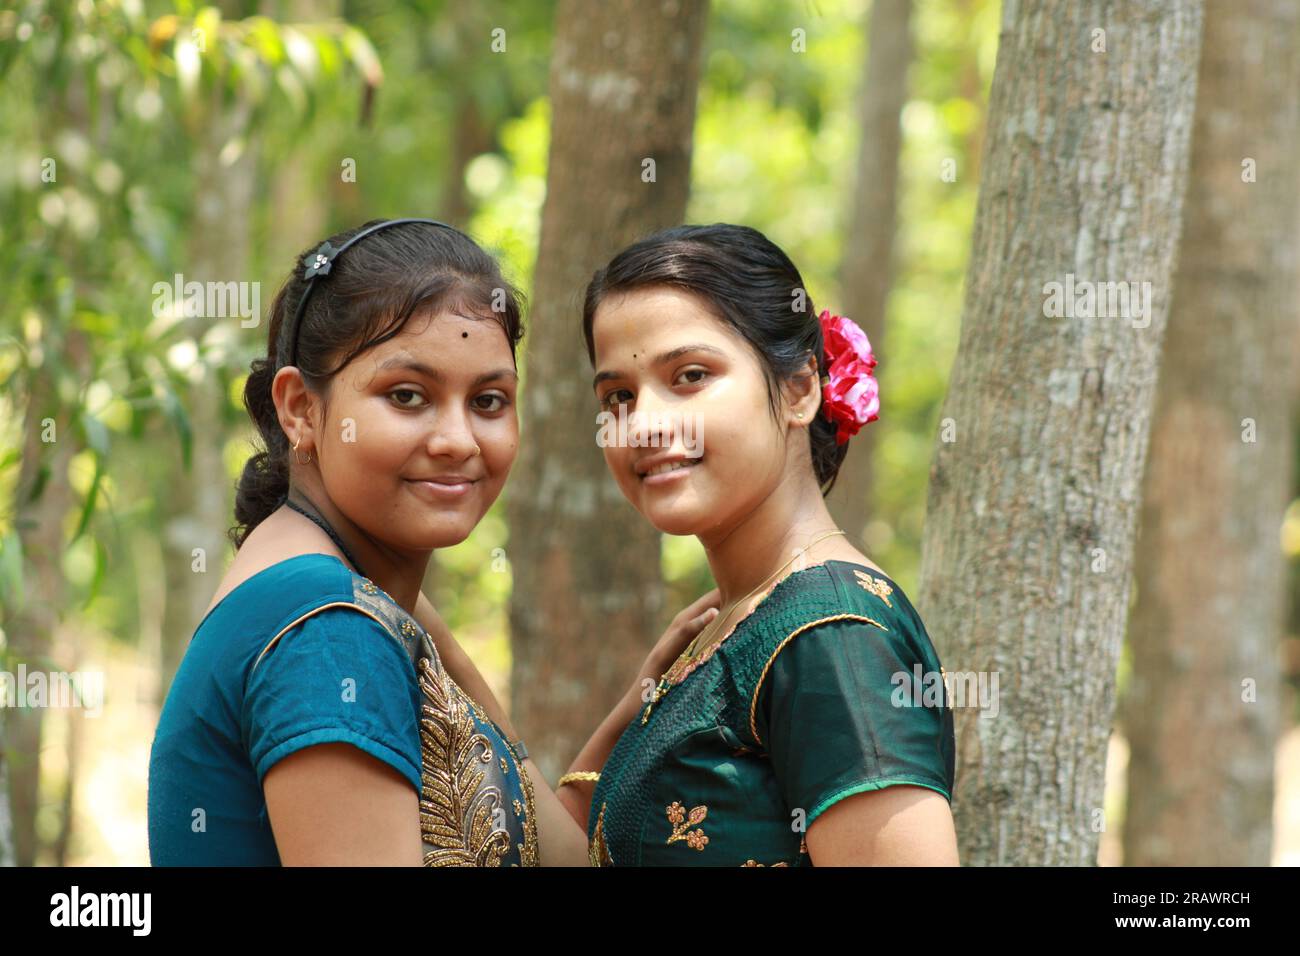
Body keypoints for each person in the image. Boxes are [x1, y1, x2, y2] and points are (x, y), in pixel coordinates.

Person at [147, 218, 715, 866]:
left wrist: (639, 706)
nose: (458, 440)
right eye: (408, 395)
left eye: (489, 401)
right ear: (301, 407)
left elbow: (548, 852)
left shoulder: (336, 589)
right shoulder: (330, 631)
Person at [557, 223, 959, 866]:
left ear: (800, 389)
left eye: (689, 375)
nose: (648, 424)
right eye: (619, 397)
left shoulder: (833, 635)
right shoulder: (735, 623)